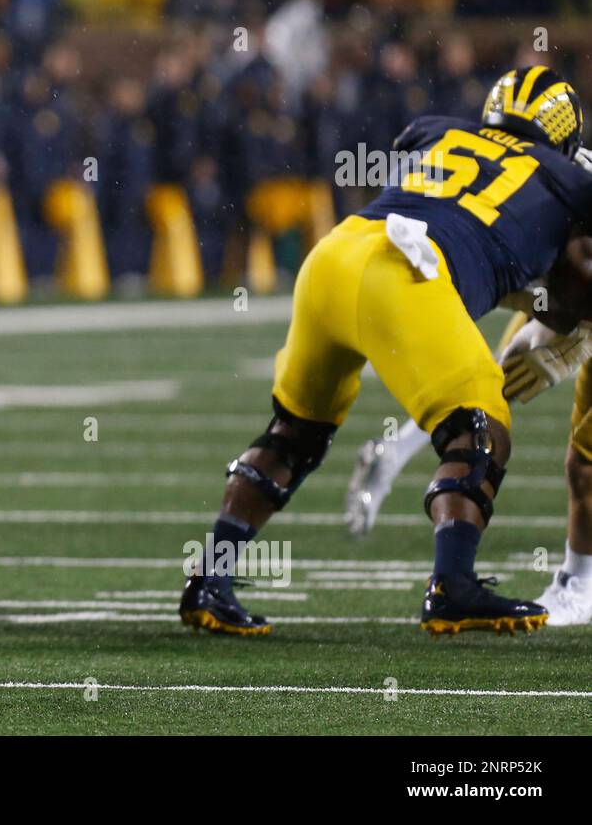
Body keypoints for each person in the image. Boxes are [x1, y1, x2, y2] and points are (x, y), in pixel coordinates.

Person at [180, 66, 592, 637]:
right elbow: (573, 276)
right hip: (407, 273)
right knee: (480, 431)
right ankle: (453, 587)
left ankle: (208, 582)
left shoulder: (441, 132)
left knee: (291, 435)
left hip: (335, 256)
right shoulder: (570, 184)